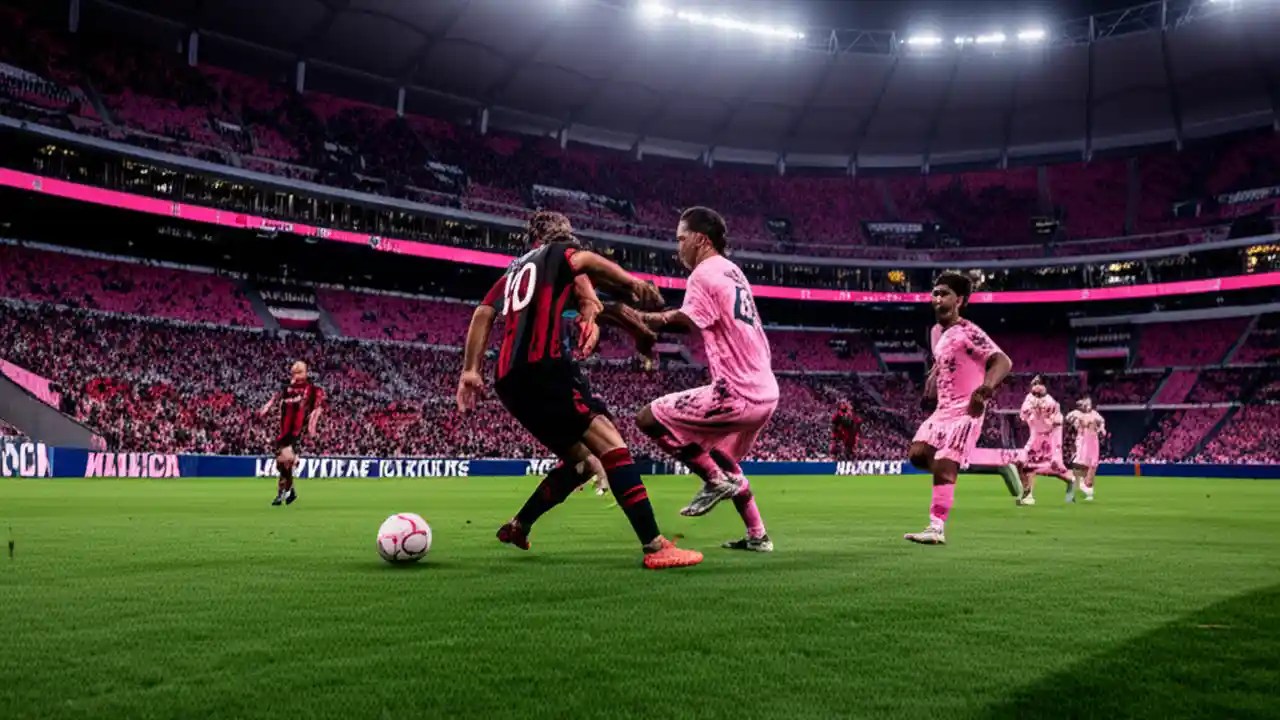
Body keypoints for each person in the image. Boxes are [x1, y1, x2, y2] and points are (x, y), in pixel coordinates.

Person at [456, 210, 702, 570]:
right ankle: (654, 545)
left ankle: (519, 525)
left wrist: (470, 371)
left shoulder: (512, 273)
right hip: (546, 367)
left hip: (509, 380)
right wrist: (631, 281)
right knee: (612, 445)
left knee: (581, 464)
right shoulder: (558, 254)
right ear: (560, 236)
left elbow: (482, 314)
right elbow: (584, 261)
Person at [633, 207, 778, 553]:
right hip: (766, 392)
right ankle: (758, 535)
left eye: (681, 239)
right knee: (725, 458)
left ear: (700, 239)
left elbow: (686, 321)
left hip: (737, 393)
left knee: (647, 418)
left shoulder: (703, 273)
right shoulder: (734, 272)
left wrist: (643, 319)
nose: (678, 247)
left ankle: (713, 481)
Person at [905, 272, 1013, 545]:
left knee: (943, 463)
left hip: (967, 409)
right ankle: (995, 467)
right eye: (935, 293)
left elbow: (1003, 361)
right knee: (918, 455)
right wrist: (931, 382)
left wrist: (985, 389)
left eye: (944, 294)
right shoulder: (935, 333)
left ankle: (936, 527)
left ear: (959, 300)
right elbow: (940, 364)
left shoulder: (969, 331)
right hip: (942, 410)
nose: (937, 298)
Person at [257, 361, 324, 506]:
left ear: (306, 373)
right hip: (283, 431)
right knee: (281, 466)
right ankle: (289, 491)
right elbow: (275, 399)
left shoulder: (312, 390)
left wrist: (312, 424)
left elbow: (317, 408)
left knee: (285, 461)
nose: (296, 375)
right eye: (294, 372)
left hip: (297, 432)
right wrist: (267, 407)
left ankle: (282, 494)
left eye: (300, 372)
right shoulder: (286, 389)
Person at [1015, 376, 1075, 505]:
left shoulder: (1051, 403)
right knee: (1022, 463)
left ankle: (1070, 480)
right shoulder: (1029, 399)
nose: (1035, 386)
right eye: (1034, 383)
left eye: (1038, 383)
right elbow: (1023, 416)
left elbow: (1056, 424)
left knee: (1050, 468)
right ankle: (1028, 493)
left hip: (1048, 439)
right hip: (1035, 437)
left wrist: (1056, 447)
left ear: (1045, 387)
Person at [1065, 396, 1106, 501]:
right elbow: (1068, 418)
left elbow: (1101, 422)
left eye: (1088, 403)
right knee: (1080, 464)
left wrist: (1101, 429)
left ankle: (1088, 489)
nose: (1087, 405)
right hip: (1082, 442)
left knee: (1092, 466)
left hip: (1092, 442)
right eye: (1085, 403)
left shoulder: (1094, 414)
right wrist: (1077, 421)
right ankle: (1079, 484)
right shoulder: (1076, 413)